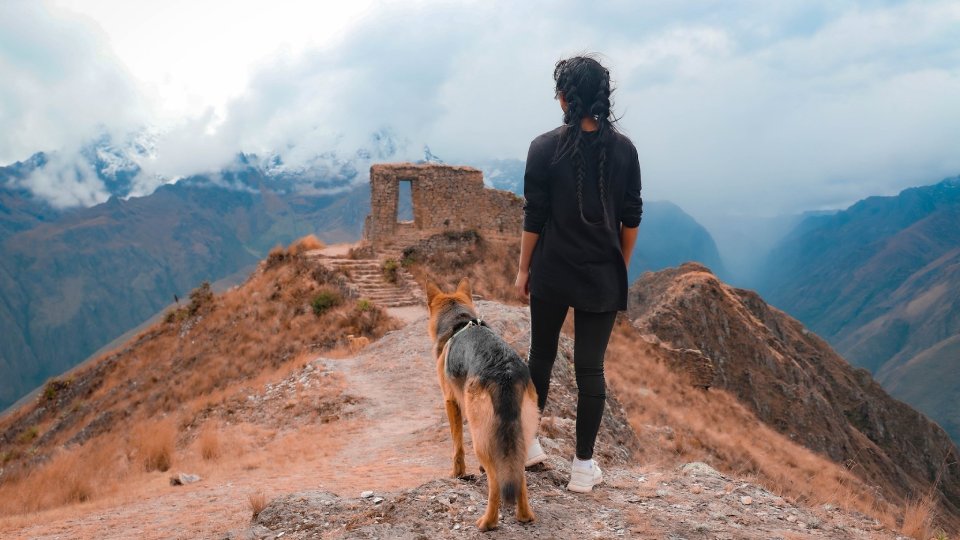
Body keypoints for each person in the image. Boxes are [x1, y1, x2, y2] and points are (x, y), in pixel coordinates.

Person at [513, 54, 642, 493]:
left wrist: (522, 270)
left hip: (552, 269)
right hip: (601, 274)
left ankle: (528, 444)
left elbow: (535, 216)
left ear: (564, 97)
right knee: (591, 370)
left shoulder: (543, 147)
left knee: (541, 356)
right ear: (604, 97)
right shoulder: (625, 150)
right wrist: (618, 267)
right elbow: (631, 217)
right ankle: (583, 469)